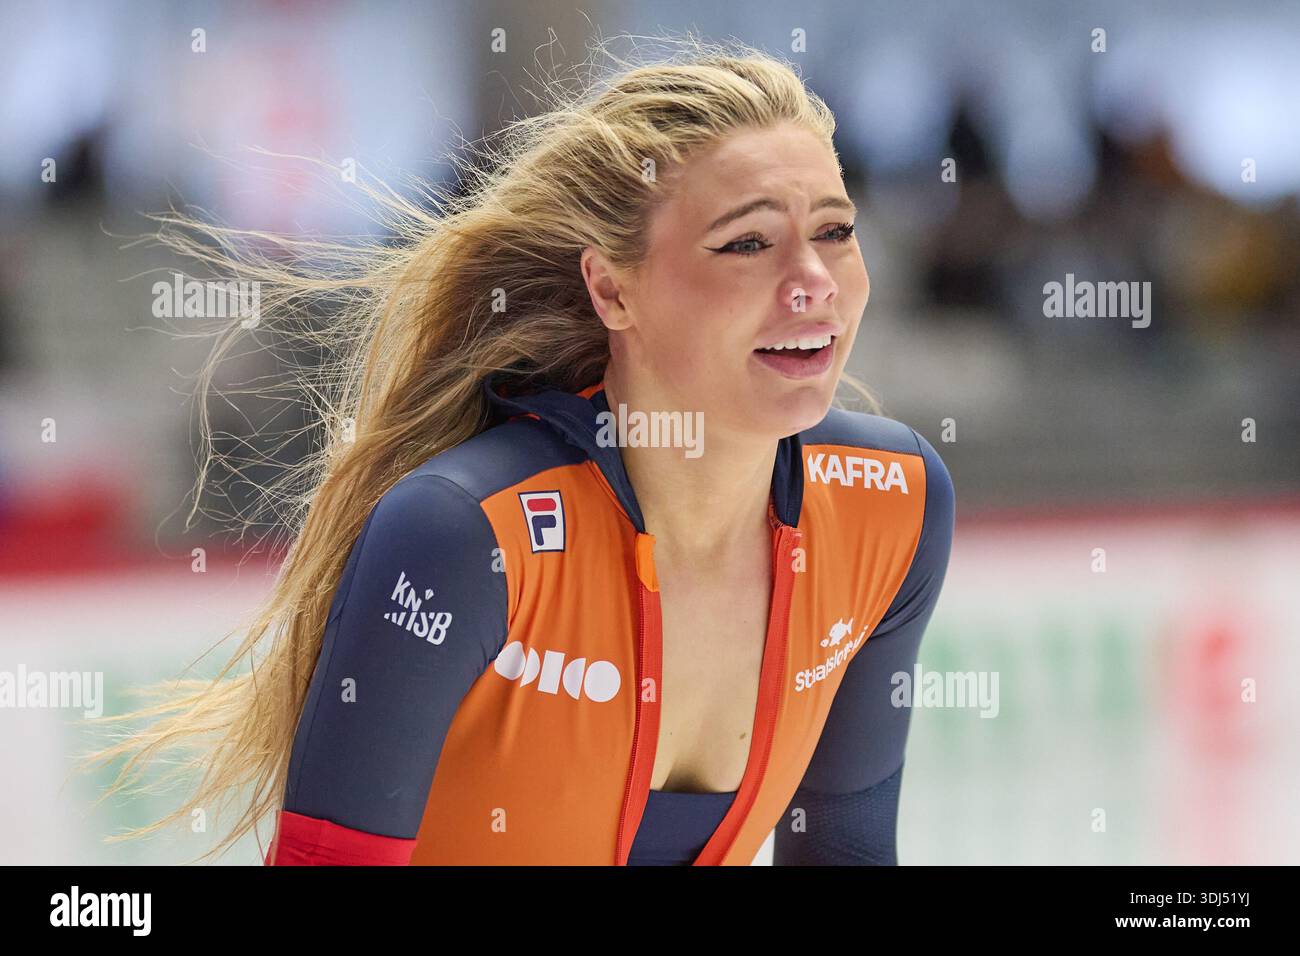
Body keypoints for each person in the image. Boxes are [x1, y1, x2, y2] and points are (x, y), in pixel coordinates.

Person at [89, 38, 954, 866]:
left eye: (836, 231)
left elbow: (846, 850)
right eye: (747, 243)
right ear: (612, 290)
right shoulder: (468, 535)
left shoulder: (893, 501)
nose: (814, 280)